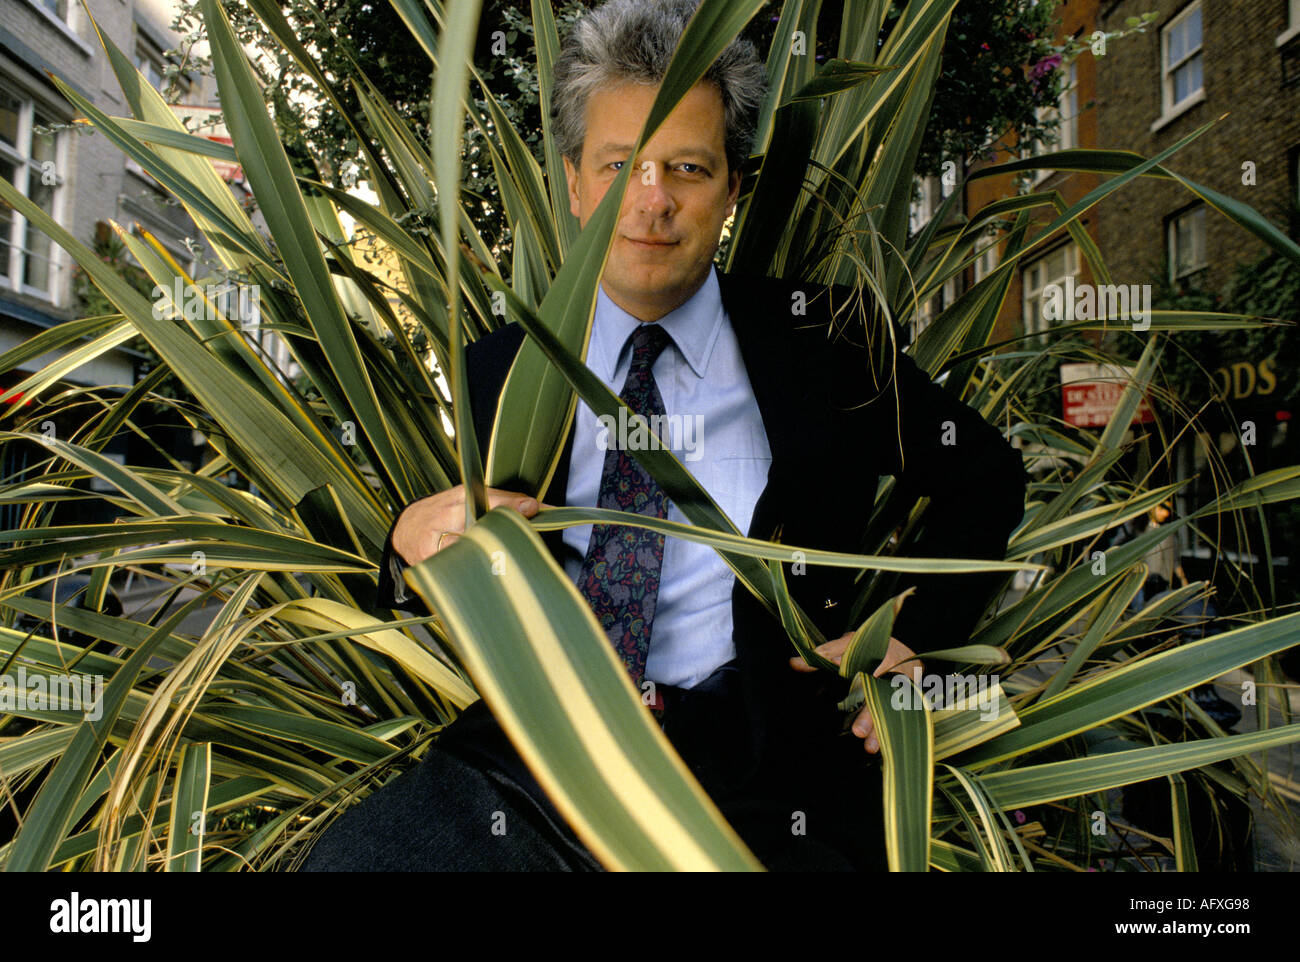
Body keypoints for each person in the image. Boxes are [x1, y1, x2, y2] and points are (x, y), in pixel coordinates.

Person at [302, 0, 1026, 871]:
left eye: (686, 167)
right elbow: (415, 560)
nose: (651, 202)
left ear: (731, 190)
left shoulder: (825, 345)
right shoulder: (502, 366)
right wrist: (403, 544)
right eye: (620, 166)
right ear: (574, 184)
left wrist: (911, 635)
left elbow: (985, 477)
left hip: (764, 775)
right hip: (534, 759)